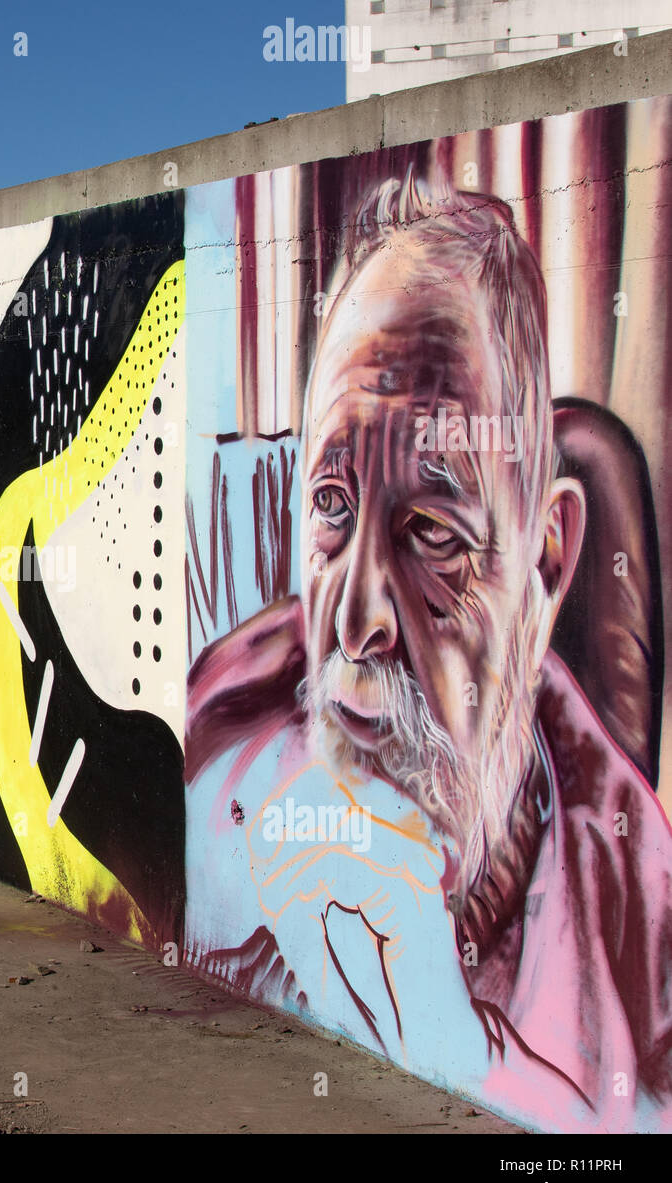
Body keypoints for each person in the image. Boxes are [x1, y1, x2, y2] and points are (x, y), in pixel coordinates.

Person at [185, 170, 672, 1131]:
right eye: (331, 503)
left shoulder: (645, 940)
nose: (357, 618)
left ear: (546, 558)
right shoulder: (211, 738)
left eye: (434, 531)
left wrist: (463, 1054)